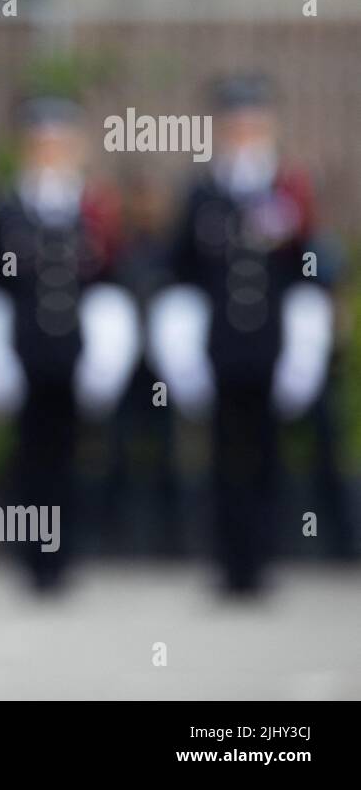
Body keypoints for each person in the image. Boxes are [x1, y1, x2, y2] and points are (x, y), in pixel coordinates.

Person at [149, 74, 332, 595]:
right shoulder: (203, 194)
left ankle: (263, 561)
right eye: (236, 125)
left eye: (254, 124)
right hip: (221, 350)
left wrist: (306, 346)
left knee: (270, 456)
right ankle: (228, 564)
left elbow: (309, 271)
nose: (245, 134)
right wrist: (181, 349)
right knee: (224, 457)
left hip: (273, 347)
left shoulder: (290, 189)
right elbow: (180, 273)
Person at [0, 96, 138, 592]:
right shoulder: (6, 208)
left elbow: (109, 285)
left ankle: (64, 558)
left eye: (60, 143)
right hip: (25, 350)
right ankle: (31, 560)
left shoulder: (94, 209)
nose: (50, 152)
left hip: (76, 353)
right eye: (41, 143)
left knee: (70, 456)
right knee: (29, 459)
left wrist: (107, 353)